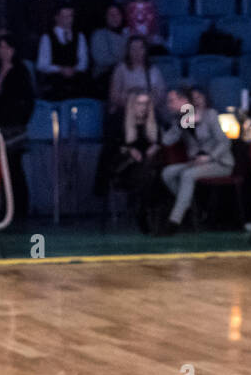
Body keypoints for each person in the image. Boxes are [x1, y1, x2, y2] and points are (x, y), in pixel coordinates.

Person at [157, 87, 233, 234]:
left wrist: (209, 157)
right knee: (168, 173)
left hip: (219, 162)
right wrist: (180, 125)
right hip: (196, 162)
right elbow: (166, 141)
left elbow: (225, 142)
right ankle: (192, 207)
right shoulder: (180, 119)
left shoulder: (209, 115)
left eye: (172, 101)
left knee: (187, 175)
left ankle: (174, 222)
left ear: (184, 100)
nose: (168, 104)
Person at [95, 87, 164, 232]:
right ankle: (145, 211)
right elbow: (110, 147)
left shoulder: (154, 121)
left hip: (146, 169)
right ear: (132, 104)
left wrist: (156, 146)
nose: (143, 107)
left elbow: (164, 140)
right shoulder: (118, 120)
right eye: (139, 103)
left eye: (146, 104)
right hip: (123, 169)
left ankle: (144, 210)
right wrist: (128, 150)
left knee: (151, 171)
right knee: (146, 173)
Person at [0, 31, 33, 224]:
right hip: (0, 124)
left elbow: (28, 99)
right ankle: (5, 208)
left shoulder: (21, 70)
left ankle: (20, 209)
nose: (3, 51)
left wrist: (21, 121)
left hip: (15, 126)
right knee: (2, 168)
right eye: (0, 47)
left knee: (14, 167)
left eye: (6, 47)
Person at [34, 5, 91, 101]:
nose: (68, 20)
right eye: (65, 16)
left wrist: (73, 69)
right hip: (54, 80)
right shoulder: (47, 37)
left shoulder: (79, 36)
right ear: (56, 18)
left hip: (76, 79)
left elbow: (83, 62)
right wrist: (61, 69)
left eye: (70, 16)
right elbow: (42, 64)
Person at [109, 35, 165, 115]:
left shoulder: (154, 70)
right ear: (128, 51)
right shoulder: (120, 69)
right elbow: (114, 96)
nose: (137, 52)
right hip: (125, 110)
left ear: (145, 50)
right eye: (133, 49)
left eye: (140, 48)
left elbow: (160, 95)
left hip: (148, 110)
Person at [90, 4, 128, 93]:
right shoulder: (99, 35)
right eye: (111, 15)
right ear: (105, 17)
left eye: (117, 14)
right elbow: (101, 59)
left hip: (127, 72)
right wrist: (125, 61)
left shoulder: (127, 35)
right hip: (105, 75)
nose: (114, 17)